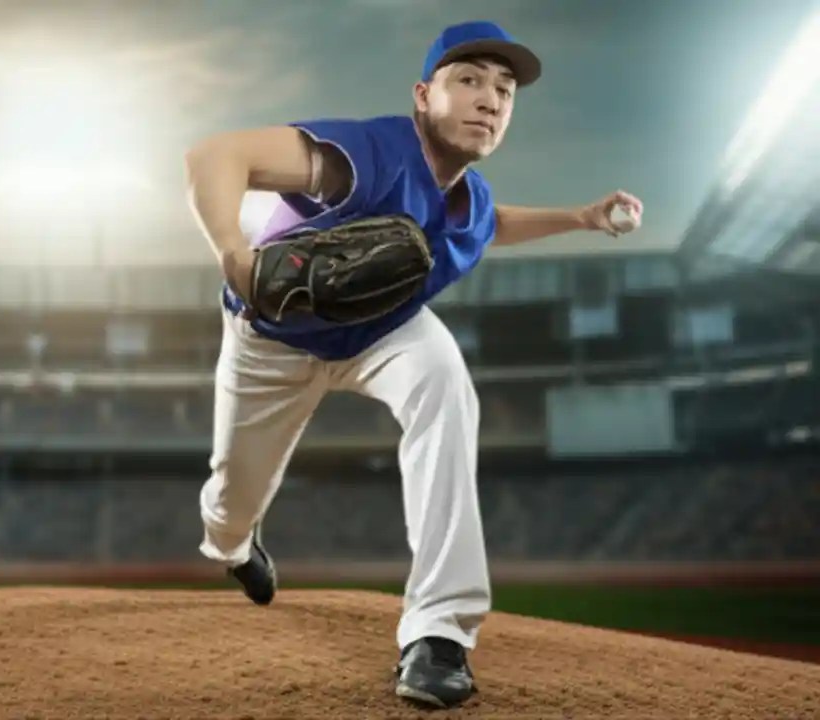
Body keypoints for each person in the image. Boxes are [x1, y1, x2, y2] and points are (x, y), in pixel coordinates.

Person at [182, 20, 643, 709]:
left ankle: (439, 632)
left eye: (504, 89)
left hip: (384, 333)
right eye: (469, 80)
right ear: (423, 96)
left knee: (445, 381)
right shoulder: (365, 154)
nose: (490, 99)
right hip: (273, 341)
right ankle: (235, 547)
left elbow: (496, 224)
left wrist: (581, 216)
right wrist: (232, 251)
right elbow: (216, 155)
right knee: (231, 499)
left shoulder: (473, 202)